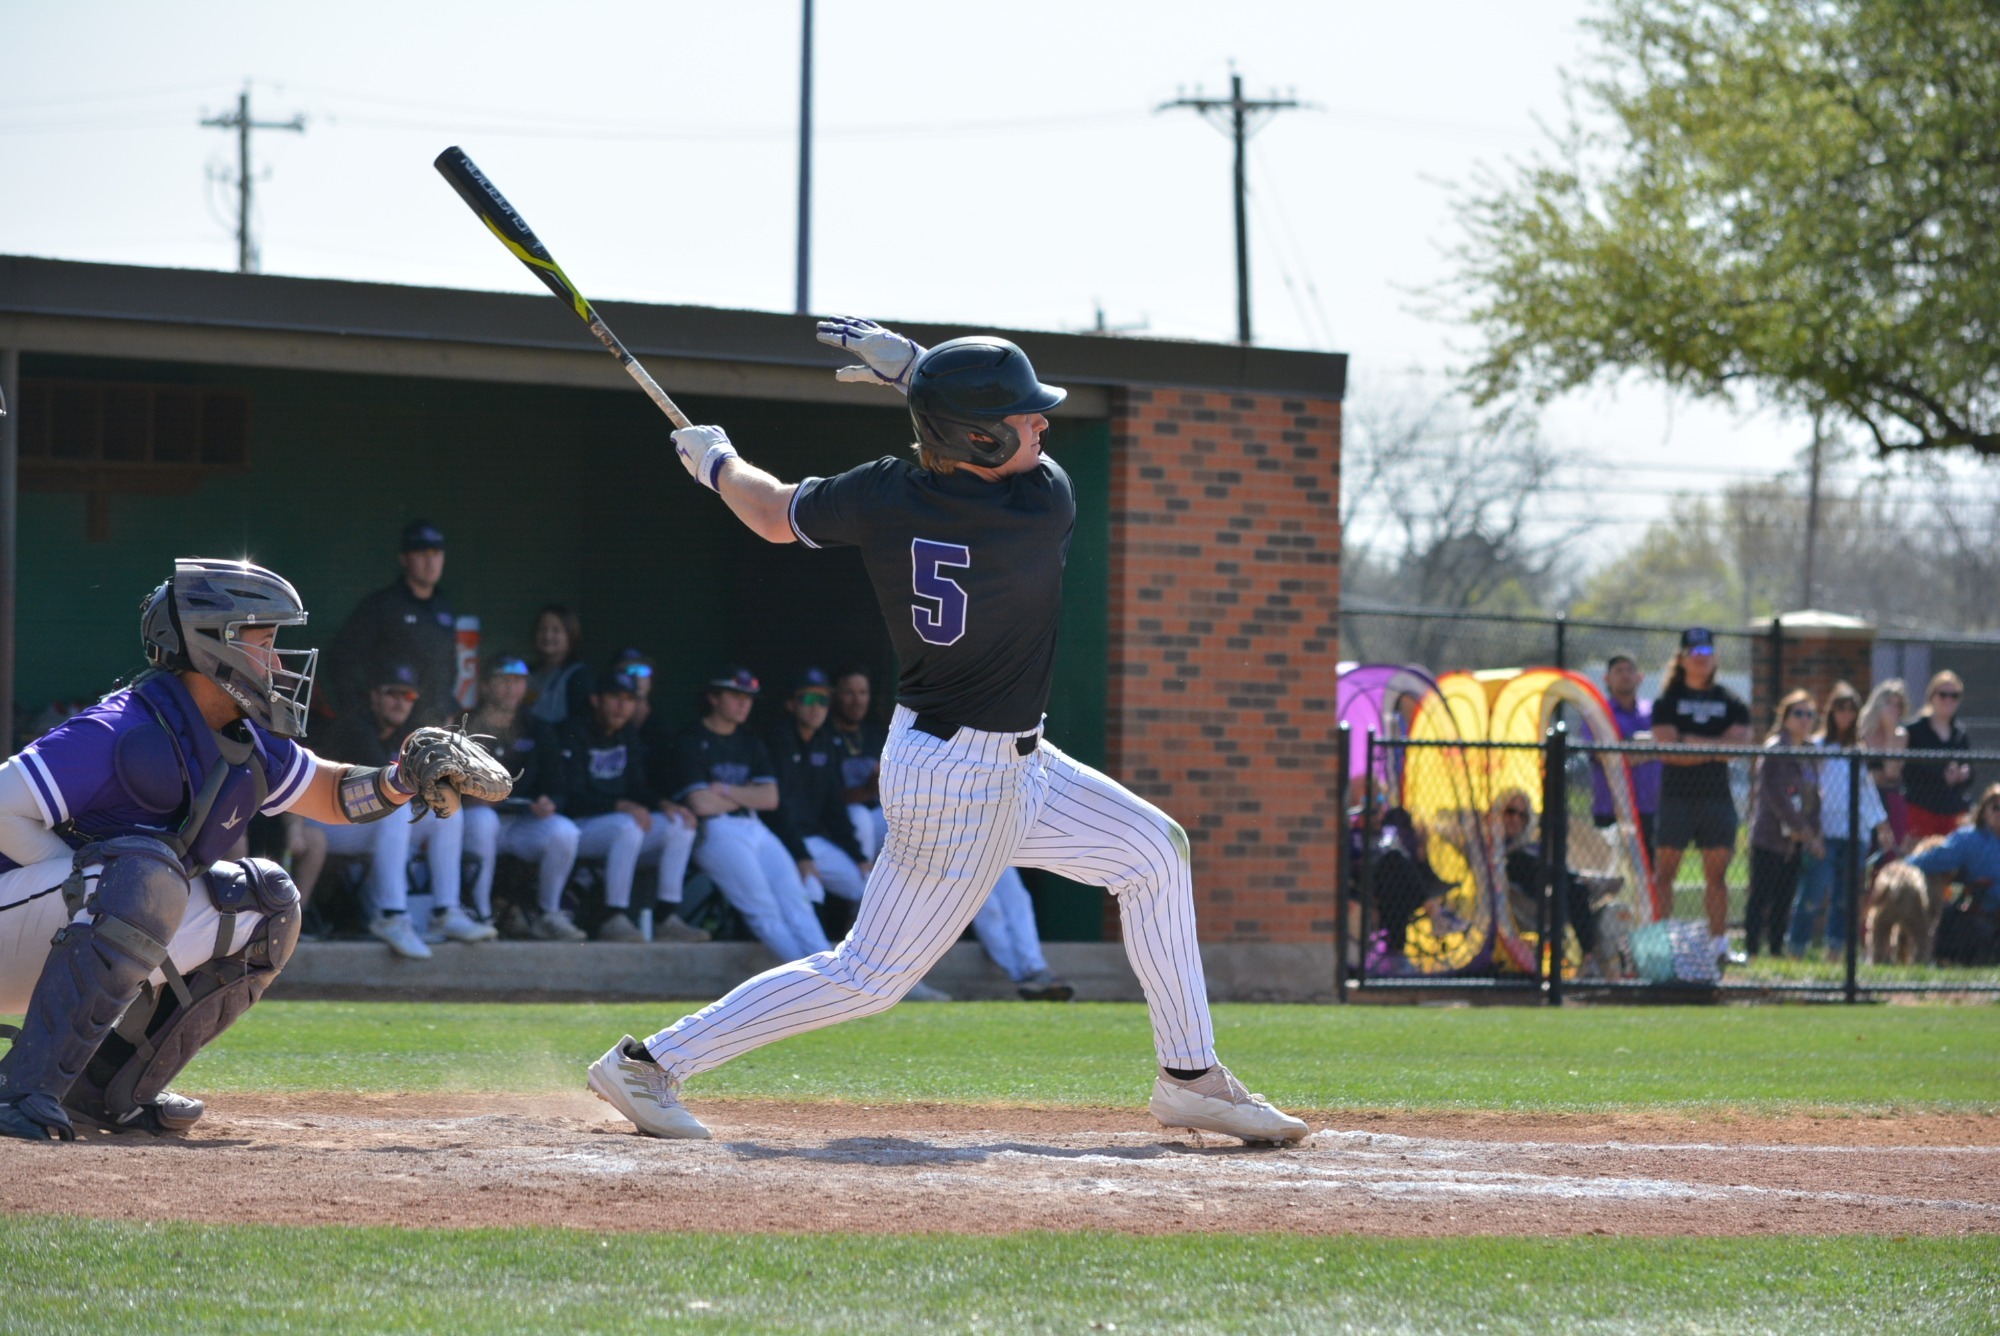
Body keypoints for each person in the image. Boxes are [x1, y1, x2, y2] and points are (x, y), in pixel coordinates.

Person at [587, 317, 1306, 1144]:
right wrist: (917, 372)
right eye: (1025, 417)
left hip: (1005, 765)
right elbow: (971, 452)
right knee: (868, 976)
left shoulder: (888, 493)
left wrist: (716, 463)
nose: (1041, 424)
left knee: (1152, 852)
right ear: (979, 434)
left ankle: (1191, 1077)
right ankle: (649, 1063)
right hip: (960, 782)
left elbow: (775, 513)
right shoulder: (1043, 504)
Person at [0, 559, 504, 1141]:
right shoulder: (119, 728)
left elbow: (332, 795)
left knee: (267, 902)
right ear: (219, 647)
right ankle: (21, 1091)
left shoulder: (243, 738)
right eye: (267, 643)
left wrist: (402, 778)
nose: (280, 662)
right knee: (143, 873)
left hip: (78, 921)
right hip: (25, 919)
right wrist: (78, 880)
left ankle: (105, 1088)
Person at [311, 664, 490, 957]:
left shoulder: (398, 734)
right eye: (392, 694)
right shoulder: (355, 727)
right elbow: (391, 785)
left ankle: (447, 911)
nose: (400, 702)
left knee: (446, 810)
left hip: (357, 822)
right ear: (374, 697)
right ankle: (391, 915)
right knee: (394, 805)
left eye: (407, 696)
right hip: (320, 821)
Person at [669, 668, 830, 961]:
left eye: (748, 698)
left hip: (754, 827)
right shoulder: (691, 738)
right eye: (735, 696)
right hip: (714, 831)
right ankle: (810, 984)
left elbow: (770, 798)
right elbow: (701, 804)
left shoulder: (750, 740)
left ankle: (837, 978)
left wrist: (725, 791)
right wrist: (745, 795)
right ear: (713, 698)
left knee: (798, 903)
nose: (744, 704)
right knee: (763, 910)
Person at [538, 665, 703, 943]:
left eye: (628, 700)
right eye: (614, 697)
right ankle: (613, 917)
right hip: (578, 826)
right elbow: (571, 796)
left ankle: (666, 916)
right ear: (596, 700)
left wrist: (665, 804)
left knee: (680, 824)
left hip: (612, 824)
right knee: (628, 826)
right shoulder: (573, 731)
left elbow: (637, 788)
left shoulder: (626, 734)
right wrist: (620, 805)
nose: (621, 706)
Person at [459, 655, 583, 938]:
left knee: (564, 832)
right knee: (482, 819)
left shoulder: (537, 727)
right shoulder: (464, 724)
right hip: (473, 820)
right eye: (503, 681)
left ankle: (548, 913)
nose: (511, 688)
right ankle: (481, 914)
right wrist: (467, 796)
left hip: (520, 822)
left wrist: (550, 802)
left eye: (517, 682)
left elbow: (557, 786)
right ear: (487, 686)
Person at [1649, 627, 1752, 964]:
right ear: (1682, 659)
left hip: (1717, 797)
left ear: (1716, 658)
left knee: (1717, 876)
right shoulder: (1667, 702)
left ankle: (1719, 946)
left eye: (1707, 653)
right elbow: (1669, 751)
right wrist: (1713, 746)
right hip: (1675, 797)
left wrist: (1691, 741)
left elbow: (1738, 747)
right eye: (1695, 653)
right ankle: (1661, 946)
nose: (1702, 659)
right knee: (1665, 875)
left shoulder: (1731, 702)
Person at [1789, 681, 1892, 960]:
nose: (1846, 715)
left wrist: (1881, 824)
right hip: (1825, 832)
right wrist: (1810, 830)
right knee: (1812, 893)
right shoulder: (1819, 746)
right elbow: (1808, 789)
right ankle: (1796, 950)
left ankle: (1835, 952)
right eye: (1840, 709)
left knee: (1845, 900)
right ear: (1831, 711)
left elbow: (1867, 790)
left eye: (1851, 710)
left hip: (1855, 833)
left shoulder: (1858, 749)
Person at [324, 520, 460, 726]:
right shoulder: (383, 605)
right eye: (422, 554)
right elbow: (341, 657)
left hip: (434, 724)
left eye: (436, 554)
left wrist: (446, 708)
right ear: (404, 558)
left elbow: (448, 667)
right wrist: (361, 710)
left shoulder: (445, 608)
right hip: (391, 726)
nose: (430, 562)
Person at [1743, 690, 1821, 958]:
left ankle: (1776, 951)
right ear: (1785, 717)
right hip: (1770, 836)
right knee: (1761, 896)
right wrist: (1800, 827)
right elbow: (1774, 794)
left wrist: (1810, 830)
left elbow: (1814, 797)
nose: (1804, 719)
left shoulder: (1810, 752)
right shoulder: (1775, 748)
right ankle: (1752, 950)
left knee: (1785, 898)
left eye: (1809, 714)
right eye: (1798, 713)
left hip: (1797, 841)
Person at [1907, 785, 2000, 965]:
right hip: (1984, 911)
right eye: (1995, 807)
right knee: (1948, 915)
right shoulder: (1971, 839)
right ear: (1983, 811)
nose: (1999, 813)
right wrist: (1905, 864)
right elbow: (1937, 858)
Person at [1590, 653, 1661, 852]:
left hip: (1650, 808)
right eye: (1619, 670)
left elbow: (1667, 744)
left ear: (1640, 677)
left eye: (1630, 670)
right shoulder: (1597, 712)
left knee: (1650, 874)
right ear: (1607, 678)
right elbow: (1604, 756)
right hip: (1610, 808)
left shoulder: (1654, 710)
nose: (1625, 675)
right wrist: (1652, 747)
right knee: (1609, 875)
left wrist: (1624, 748)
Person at [971, 868, 1074, 999]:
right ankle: (1022, 975)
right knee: (989, 909)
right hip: (958, 854)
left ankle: (1036, 969)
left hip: (994, 849)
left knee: (1018, 900)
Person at [1903, 671, 1974, 842]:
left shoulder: (1960, 734)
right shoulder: (1915, 731)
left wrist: (1964, 774)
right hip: (1922, 808)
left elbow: (1971, 769)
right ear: (1931, 697)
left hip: (1953, 810)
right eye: (1943, 695)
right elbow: (1908, 769)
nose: (1948, 700)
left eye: (1954, 695)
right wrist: (1941, 774)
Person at [827, 666, 888, 860]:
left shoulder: (876, 735)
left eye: (863, 693)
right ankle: (864, 879)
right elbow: (829, 800)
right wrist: (870, 787)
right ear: (835, 695)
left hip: (875, 813)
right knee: (860, 818)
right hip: (841, 820)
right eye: (849, 693)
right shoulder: (824, 736)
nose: (857, 701)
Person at [1859, 679, 1911, 849]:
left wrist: (1890, 734)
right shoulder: (1863, 732)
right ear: (1878, 705)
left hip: (1891, 797)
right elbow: (1863, 775)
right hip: (1865, 799)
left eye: (1898, 705)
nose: (1893, 709)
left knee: (1890, 850)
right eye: (1889, 703)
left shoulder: (1901, 735)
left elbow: (1890, 772)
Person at [525, 605, 591, 728]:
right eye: (542, 629)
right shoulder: (527, 671)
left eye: (556, 630)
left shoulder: (579, 675)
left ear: (570, 636)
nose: (547, 636)